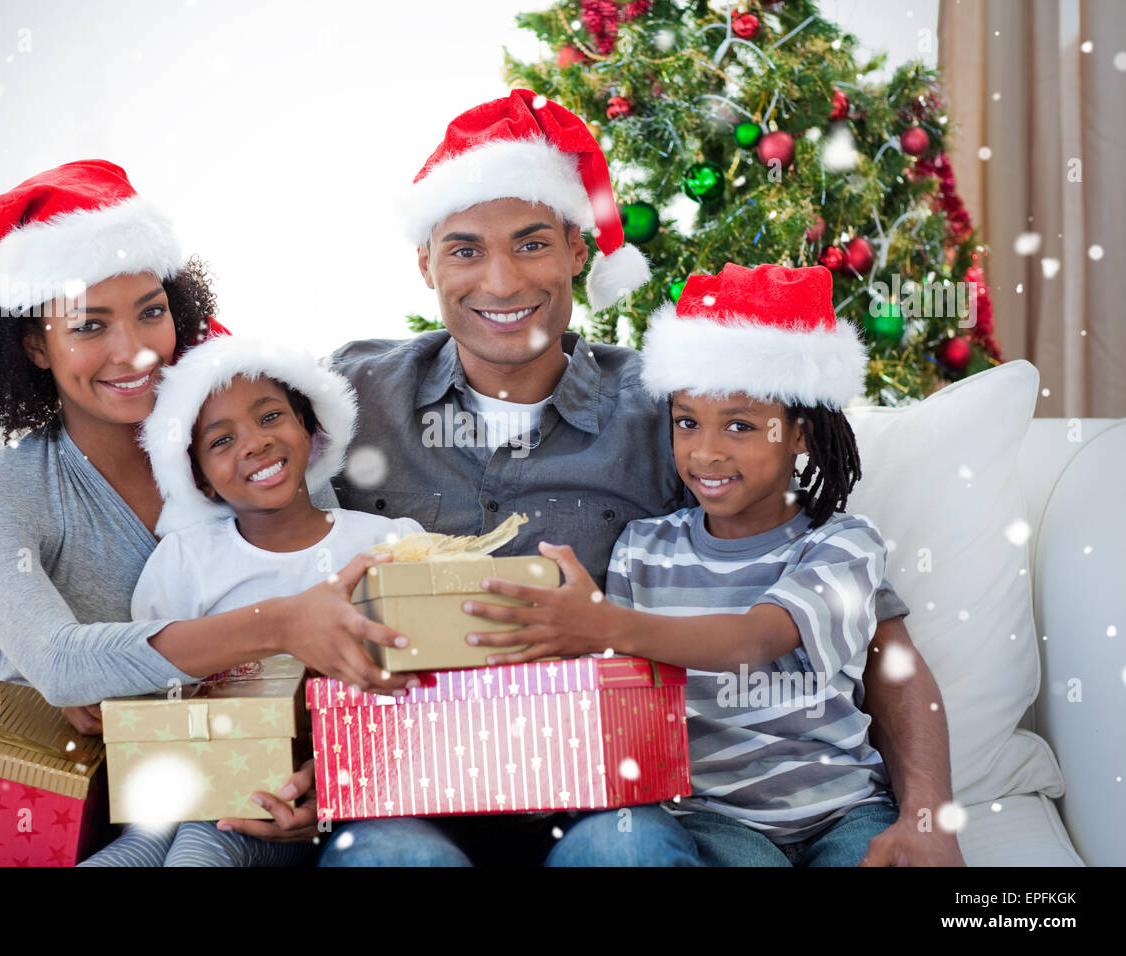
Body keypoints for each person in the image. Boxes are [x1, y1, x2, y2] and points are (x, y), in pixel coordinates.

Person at [318, 91, 964, 866]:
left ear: (578, 250)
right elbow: (225, 506)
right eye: (464, 250)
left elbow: (876, 638)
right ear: (423, 262)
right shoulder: (344, 399)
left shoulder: (669, 412)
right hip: (411, 789)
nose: (500, 281)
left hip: (598, 795)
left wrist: (926, 811)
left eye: (530, 245)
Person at [0, 161, 414, 865]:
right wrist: (279, 623)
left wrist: (333, 783)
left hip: (242, 796)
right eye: (89, 325)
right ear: (35, 345)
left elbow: (342, 606)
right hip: (63, 808)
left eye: (150, 312)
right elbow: (63, 667)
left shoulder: (254, 454)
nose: (135, 350)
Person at [476, 262, 899, 865]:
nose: (705, 451)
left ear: (800, 434)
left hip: (841, 809)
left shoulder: (844, 545)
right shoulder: (643, 548)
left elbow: (755, 638)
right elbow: (621, 694)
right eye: (686, 423)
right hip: (707, 815)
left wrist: (603, 623)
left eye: (741, 426)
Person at [113, 336, 423, 865]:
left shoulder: (388, 545)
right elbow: (146, 690)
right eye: (220, 441)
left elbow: (430, 689)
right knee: (144, 844)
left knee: (202, 846)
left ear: (308, 426)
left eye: (271, 416)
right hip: (208, 781)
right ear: (201, 480)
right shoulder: (186, 559)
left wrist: (338, 785)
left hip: (342, 791)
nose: (254, 444)